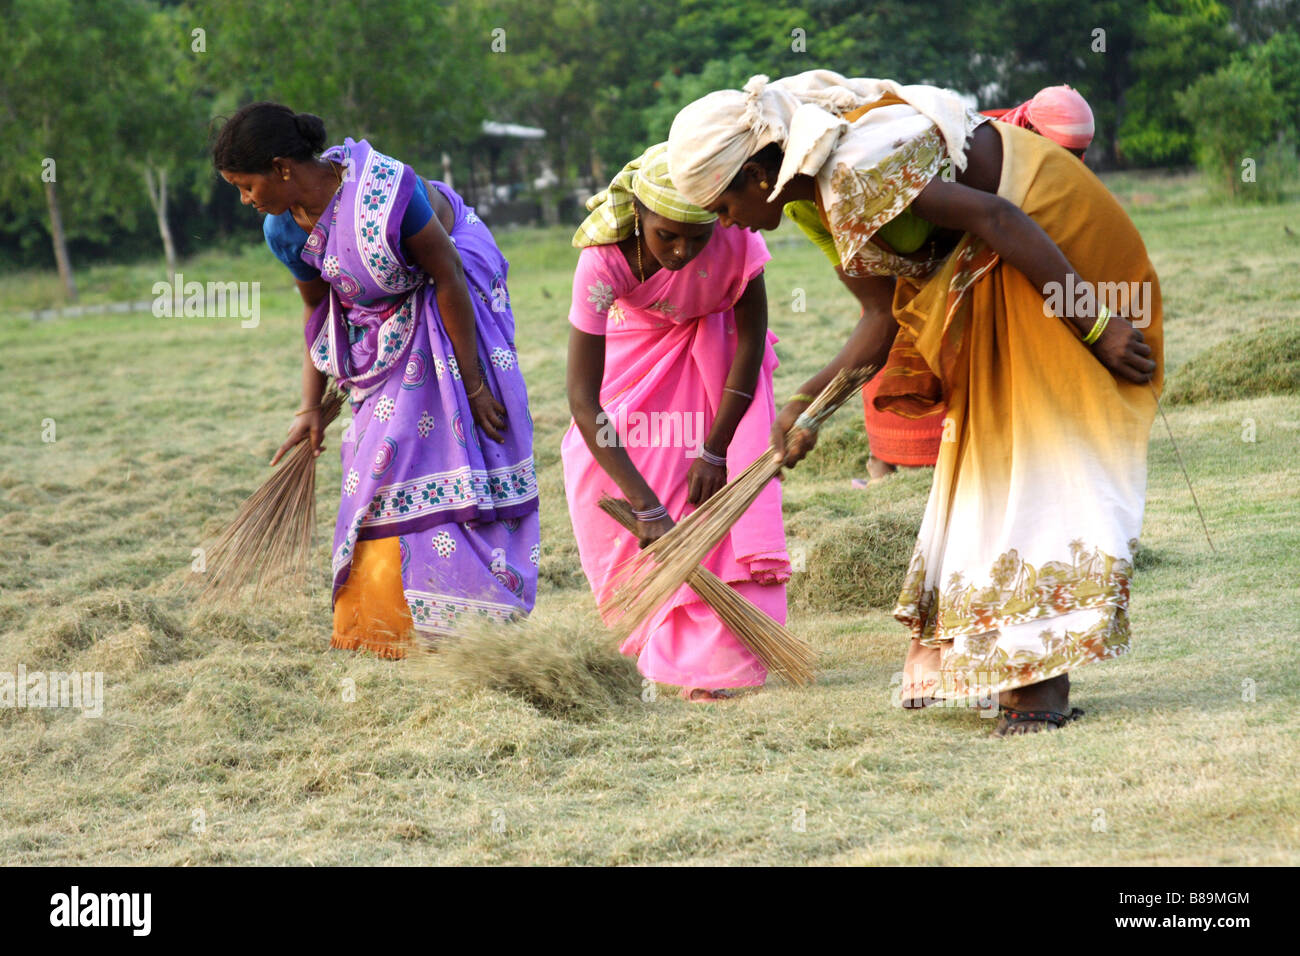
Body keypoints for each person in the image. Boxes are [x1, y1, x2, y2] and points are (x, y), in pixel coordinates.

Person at [668, 71, 1161, 734]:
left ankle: (1038, 684)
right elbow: (882, 318)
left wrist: (1098, 325)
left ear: (756, 175)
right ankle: (995, 659)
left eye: (723, 207)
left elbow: (999, 216)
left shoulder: (851, 173)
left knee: (1030, 456)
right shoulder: (817, 202)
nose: (727, 224)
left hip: (1047, 232)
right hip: (997, 260)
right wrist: (808, 406)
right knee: (985, 461)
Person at [213, 102, 539, 659]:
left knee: (439, 451)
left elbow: (448, 275)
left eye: (247, 186)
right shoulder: (282, 231)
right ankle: (382, 628)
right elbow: (321, 312)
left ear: (281, 168)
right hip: (382, 335)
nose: (246, 200)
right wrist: (310, 408)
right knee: (375, 466)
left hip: (451, 297)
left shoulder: (387, 192)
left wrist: (475, 385)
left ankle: (464, 630)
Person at [561, 143, 789, 702]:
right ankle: (655, 636)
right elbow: (583, 399)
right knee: (595, 477)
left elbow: (751, 339)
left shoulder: (735, 239)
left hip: (721, 369)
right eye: (667, 236)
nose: (683, 252)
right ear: (638, 215)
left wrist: (716, 449)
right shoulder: (602, 259)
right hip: (636, 362)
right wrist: (646, 506)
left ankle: (713, 663)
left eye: (697, 237)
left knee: (715, 507)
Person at [783, 84, 1098, 485]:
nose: (1066, 163)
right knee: (907, 361)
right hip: (908, 293)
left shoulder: (1029, 168)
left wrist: (1095, 321)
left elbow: (1016, 231)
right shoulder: (959, 150)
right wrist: (809, 407)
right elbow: (992, 220)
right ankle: (886, 461)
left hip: (979, 278)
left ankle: (1016, 452)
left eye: (1075, 156)